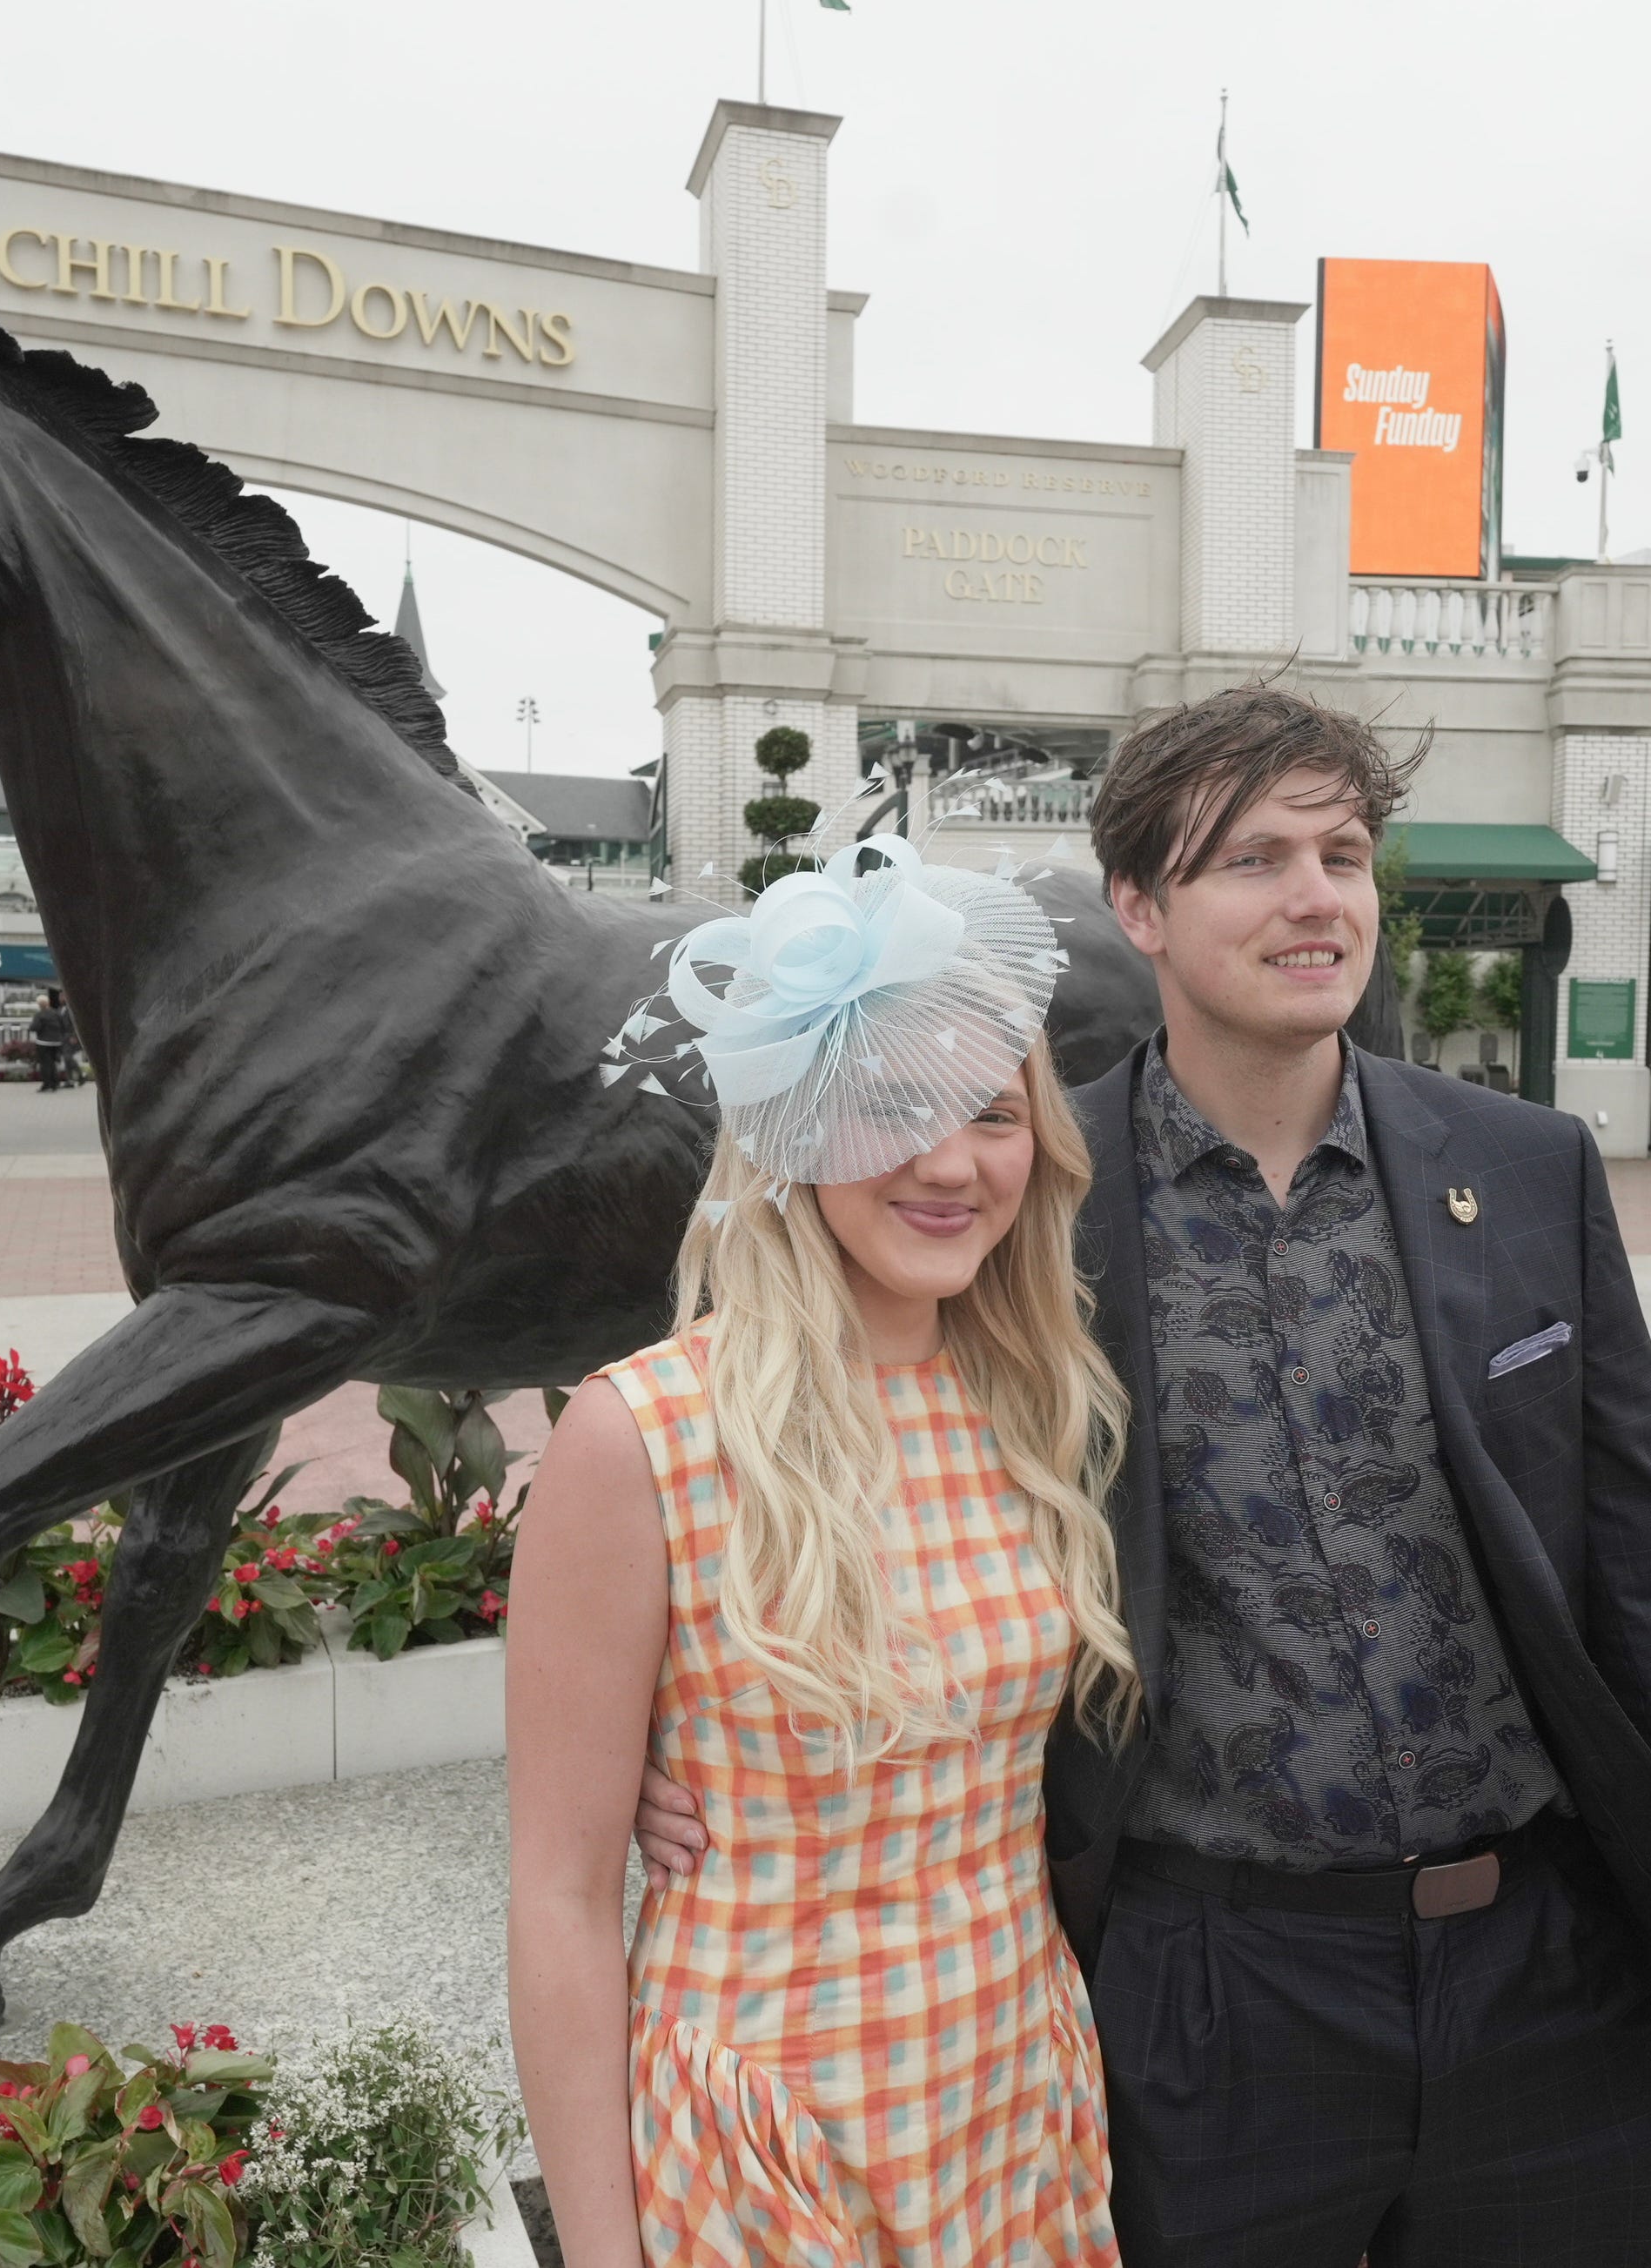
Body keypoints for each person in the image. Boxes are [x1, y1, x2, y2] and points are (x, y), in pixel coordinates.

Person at [636, 688, 1651, 2265]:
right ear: (1137, 905)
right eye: (1254, 858)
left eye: (1343, 852)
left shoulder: (1529, 1167)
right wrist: (678, 1740)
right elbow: (814, 1438)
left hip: (1553, 1981)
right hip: (1205, 2003)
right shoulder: (1023, 1203)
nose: (1314, 896)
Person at [513, 842, 1124, 2268]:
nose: (946, 1163)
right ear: (794, 1126)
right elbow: (557, 1887)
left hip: (1010, 2114)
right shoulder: (644, 1436)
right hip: (761, 2146)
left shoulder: (1035, 1406)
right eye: (889, 1107)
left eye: (989, 1114)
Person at [30, 988, 78, 1092]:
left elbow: (34, 1027)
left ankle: (47, 1084)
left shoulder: (39, 1015)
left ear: (39, 1005)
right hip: (56, 1042)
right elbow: (63, 1026)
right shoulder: (56, 1013)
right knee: (53, 1063)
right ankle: (55, 1083)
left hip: (43, 1043)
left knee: (45, 1064)